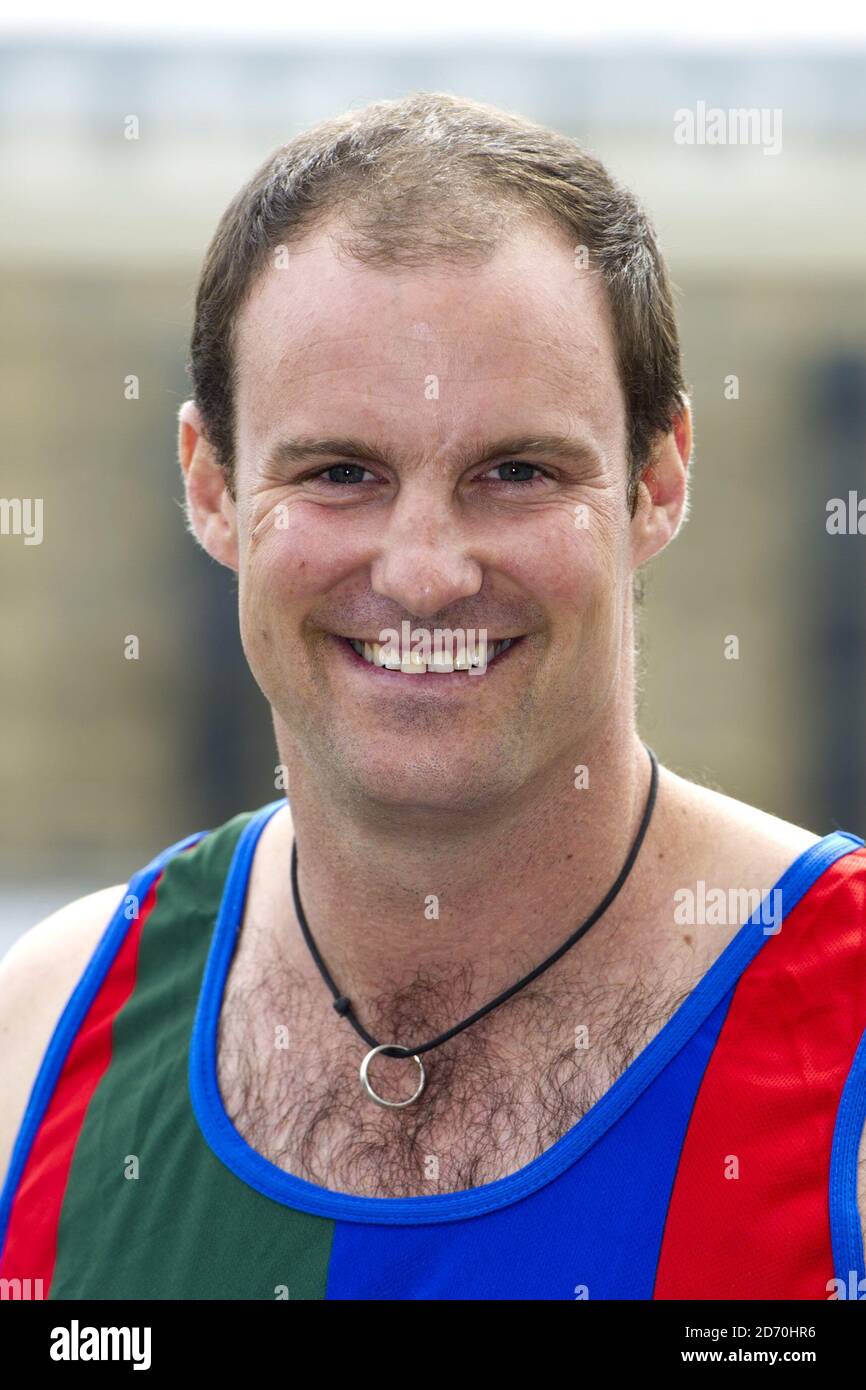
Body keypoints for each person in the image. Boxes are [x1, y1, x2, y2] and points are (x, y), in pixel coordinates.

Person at [1, 91, 864, 1302]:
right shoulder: (41, 1040)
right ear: (208, 486)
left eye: (513, 472)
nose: (421, 571)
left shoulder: (841, 1025)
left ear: (657, 481)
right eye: (340, 473)